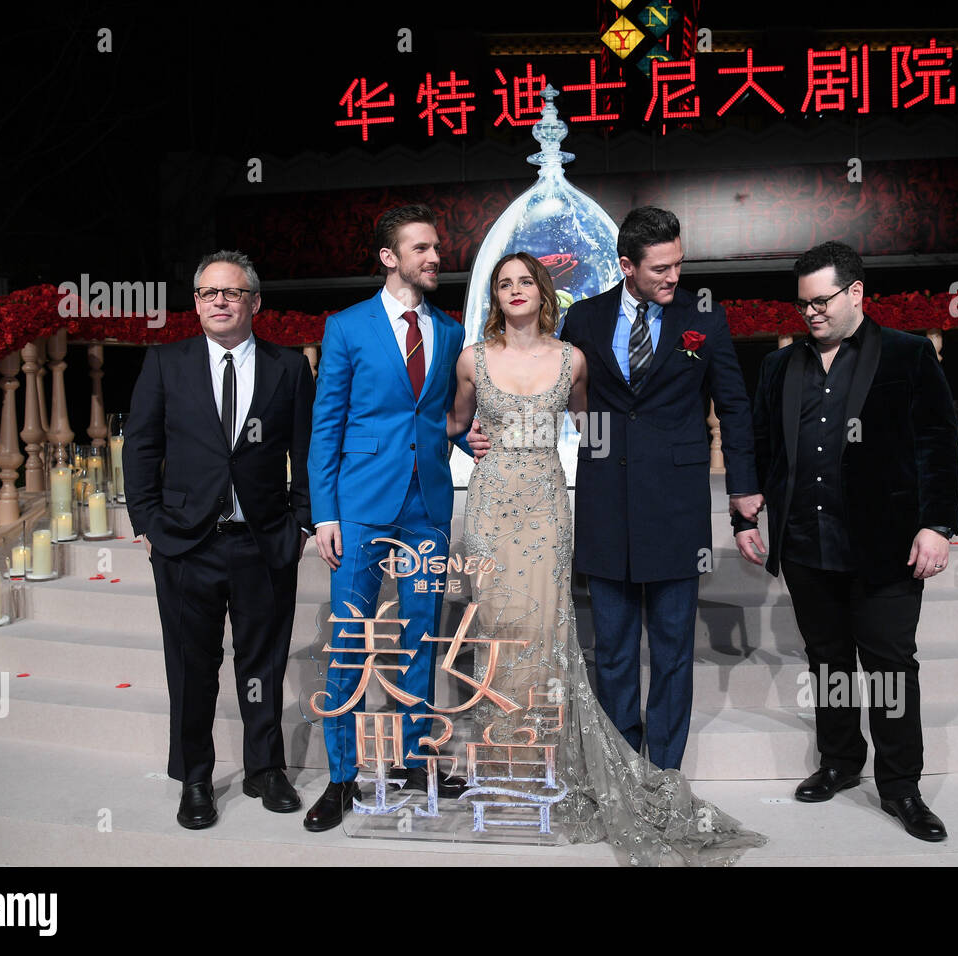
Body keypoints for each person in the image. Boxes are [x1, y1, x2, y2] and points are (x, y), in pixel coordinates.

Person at [448, 251, 764, 865]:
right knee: (501, 627)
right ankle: (505, 762)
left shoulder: (573, 356)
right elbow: (453, 423)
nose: (516, 291)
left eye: (525, 282)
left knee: (553, 630)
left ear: (544, 293)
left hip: (560, 505)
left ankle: (632, 772)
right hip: (493, 507)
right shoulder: (487, 353)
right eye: (504, 284)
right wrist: (470, 438)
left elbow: (592, 423)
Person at [733, 240, 958, 842]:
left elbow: (937, 444)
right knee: (828, 661)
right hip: (806, 542)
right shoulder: (781, 367)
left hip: (884, 544)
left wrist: (937, 525)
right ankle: (838, 761)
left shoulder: (909, 356)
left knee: (888, 665)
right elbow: (762, 448)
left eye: (822, 301)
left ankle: (901, 786)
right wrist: (746, 516)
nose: (810, 313)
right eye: (803, 304)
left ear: (857, 292)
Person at [557, 206, 762, 771]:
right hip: (606, 506)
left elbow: (735, 407)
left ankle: (664, 771)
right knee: (615, 653)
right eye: (660, 269)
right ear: (627, 265)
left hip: (677, 508)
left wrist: (743, 488)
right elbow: (554, 391)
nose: (674, 278)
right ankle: (622, 767)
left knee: (672, 651)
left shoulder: (706, 317)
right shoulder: (584, 320)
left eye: (679, 264)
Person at [305, 204, 482, 832]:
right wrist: (323, 513)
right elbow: (326, 426)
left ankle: (415, 758)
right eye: (422, 249)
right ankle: (341, 778)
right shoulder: (347, 327)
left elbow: (443, 421)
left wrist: (473, 443)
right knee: (349, 644)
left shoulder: (452, 332)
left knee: (420, 638)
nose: (436, 257)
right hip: (358, 510)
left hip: (427, 509)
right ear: (390, 256)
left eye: (437, 248)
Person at [123, 250, 315, 829]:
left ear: (254, 302)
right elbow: (141, 449)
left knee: (262, 662)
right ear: (198, 303)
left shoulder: (288, 368)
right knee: (191, 666)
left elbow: (304, 453)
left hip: (262, 543)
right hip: (186, 544)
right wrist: (149, 524)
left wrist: (301, 521)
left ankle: (265, 768)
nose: (220, 302)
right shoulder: (165, 363)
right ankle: (197, 777)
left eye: (232, 293)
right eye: (209, 293)